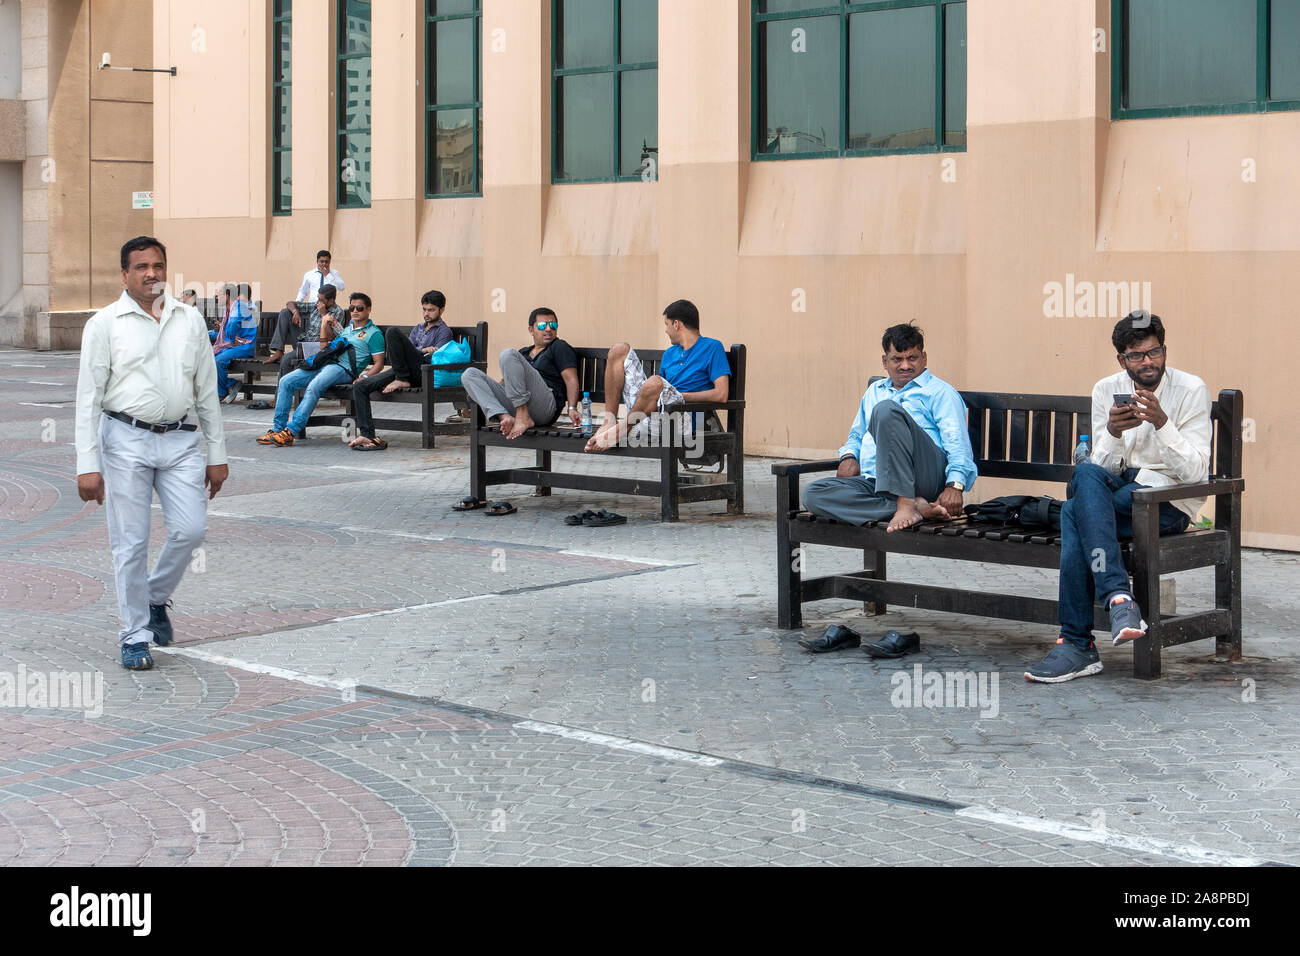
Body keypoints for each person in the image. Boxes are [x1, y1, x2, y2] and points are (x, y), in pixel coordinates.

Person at [1025, 311, 1210, 683]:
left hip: (1166, 501)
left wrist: (1162, 424)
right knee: (1087, 474)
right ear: (1121, 359)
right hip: (1118, 493)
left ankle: (1077, 642)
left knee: (1075, 512)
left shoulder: (1190, 390)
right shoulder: (1105, 389)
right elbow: (1100, 469)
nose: (1148, 362)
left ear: (1164, 350)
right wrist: (1110, 431)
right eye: (1137, 356)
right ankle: (1120, 602)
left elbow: (1195, 473)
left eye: (1154, 352)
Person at [75, 236, 229, 671]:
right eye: (141, 266)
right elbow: (88, 398)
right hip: (125, 439)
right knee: (131, 542)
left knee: (191, 529)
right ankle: (135, 634)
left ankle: (155, 596)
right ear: (124, 274)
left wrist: (217, 454)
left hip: (181, 441)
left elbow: (206, 392)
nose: (151, 273)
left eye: (158, 265)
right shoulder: (104, 324)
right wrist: (88, 465)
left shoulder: (189, 320)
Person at [803, 323, 977, 533]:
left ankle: (906, 502)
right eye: (897, 359)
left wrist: (955, 485)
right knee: (814, 494)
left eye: (912, 358)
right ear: (885, 362)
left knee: (886, 410)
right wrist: (848, 456)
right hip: (878, 482)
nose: (905, 366)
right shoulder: (874, 391)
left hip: (925, 477)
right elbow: (856, 435)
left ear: (924, 358)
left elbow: (957, 442)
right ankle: (915, 506)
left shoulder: (940, 393)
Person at [584, 299, 730, 453]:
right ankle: (609, 421)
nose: (666, 330)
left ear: (677, 324)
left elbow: (721, 395)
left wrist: (681, 396)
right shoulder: (670, 353)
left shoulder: (712, 348)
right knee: (619, 350)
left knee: (655, 382)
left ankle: (620, 430)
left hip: (681, 420)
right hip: (652, 416)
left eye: (667, 324)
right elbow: (656, 395)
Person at [258, 292, 385, 447]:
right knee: (286, 381)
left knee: (314, 386)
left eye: (359, 307)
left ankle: (291, 431)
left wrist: (365, 377)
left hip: (343, 369)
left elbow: (379, 364)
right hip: (325, 363)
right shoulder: (346, 329)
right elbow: (325, 348)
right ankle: (277, 429)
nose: (355, 311)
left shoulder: (374, 333)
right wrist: (325, 325)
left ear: (368, 309)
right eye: (352, 308)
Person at [348, 290, 456, 450]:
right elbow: (407, 350)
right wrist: (424, 349)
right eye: (424, 309)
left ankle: (402, 379)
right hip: (403, 370)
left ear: (442, 310)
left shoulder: (444, 332)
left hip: (424, 373)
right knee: (360, 386)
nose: (426, 313)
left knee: (392, 332)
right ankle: (368, 436)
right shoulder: (419, 328)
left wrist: (420, 352)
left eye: (431, 310)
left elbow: (437, 357)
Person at [461, 307, 581, 440]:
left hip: (545, 406)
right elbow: (505, 383)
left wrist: (572, 408)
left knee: (508, 354)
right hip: (516, 407)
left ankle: (523, 415)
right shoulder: (523, 352)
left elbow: (571, 379)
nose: (548, 329)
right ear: (531, 330)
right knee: (469, 374)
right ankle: (504, 416)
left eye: (552, 325)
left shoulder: (559, 347)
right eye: (542, 325)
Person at [263, 283, 347, 374]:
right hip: (303, 341)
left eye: (321, 299)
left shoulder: (338, 312)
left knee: (286, 359)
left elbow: (331, 337)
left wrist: (324, 315)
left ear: (331, 301)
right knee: (285, 313)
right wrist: (295, 312)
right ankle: (279, 351)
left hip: (317, 348)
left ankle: (283, 387)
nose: (318, 301)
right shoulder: (317, 305)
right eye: (318, 298)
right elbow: (290, 303)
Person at [210, 282, 258, 405]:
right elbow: (226, 332)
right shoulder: (230, 309)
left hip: (245, 346)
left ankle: (221, 392)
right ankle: (231, 383)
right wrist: (209, 333)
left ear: (227, 295)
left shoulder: (238, 307)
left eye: (219, 294)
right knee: (208, 358)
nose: (217, 297)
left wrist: (230, 342)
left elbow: (232, 326)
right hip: (238, 344)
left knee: (218, 360)